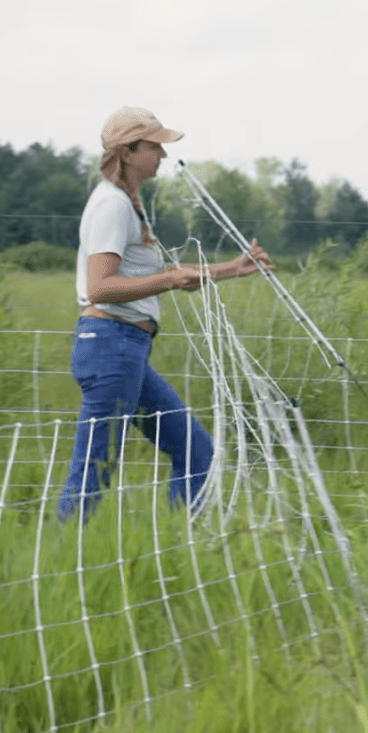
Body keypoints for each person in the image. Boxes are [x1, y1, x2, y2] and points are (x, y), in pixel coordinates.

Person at [58, 106, 274, 522]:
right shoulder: (112, 206)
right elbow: (100, 287)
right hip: (111, 348)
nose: (162, 154)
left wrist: (235, 268)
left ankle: (183, 546)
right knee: (94, 470)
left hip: (126, 350)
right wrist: (169, 282)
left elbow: (160, 274)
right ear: (129, 150)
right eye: (155, 145)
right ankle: (67, 555)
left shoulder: (128, 204)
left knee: (196, 452)